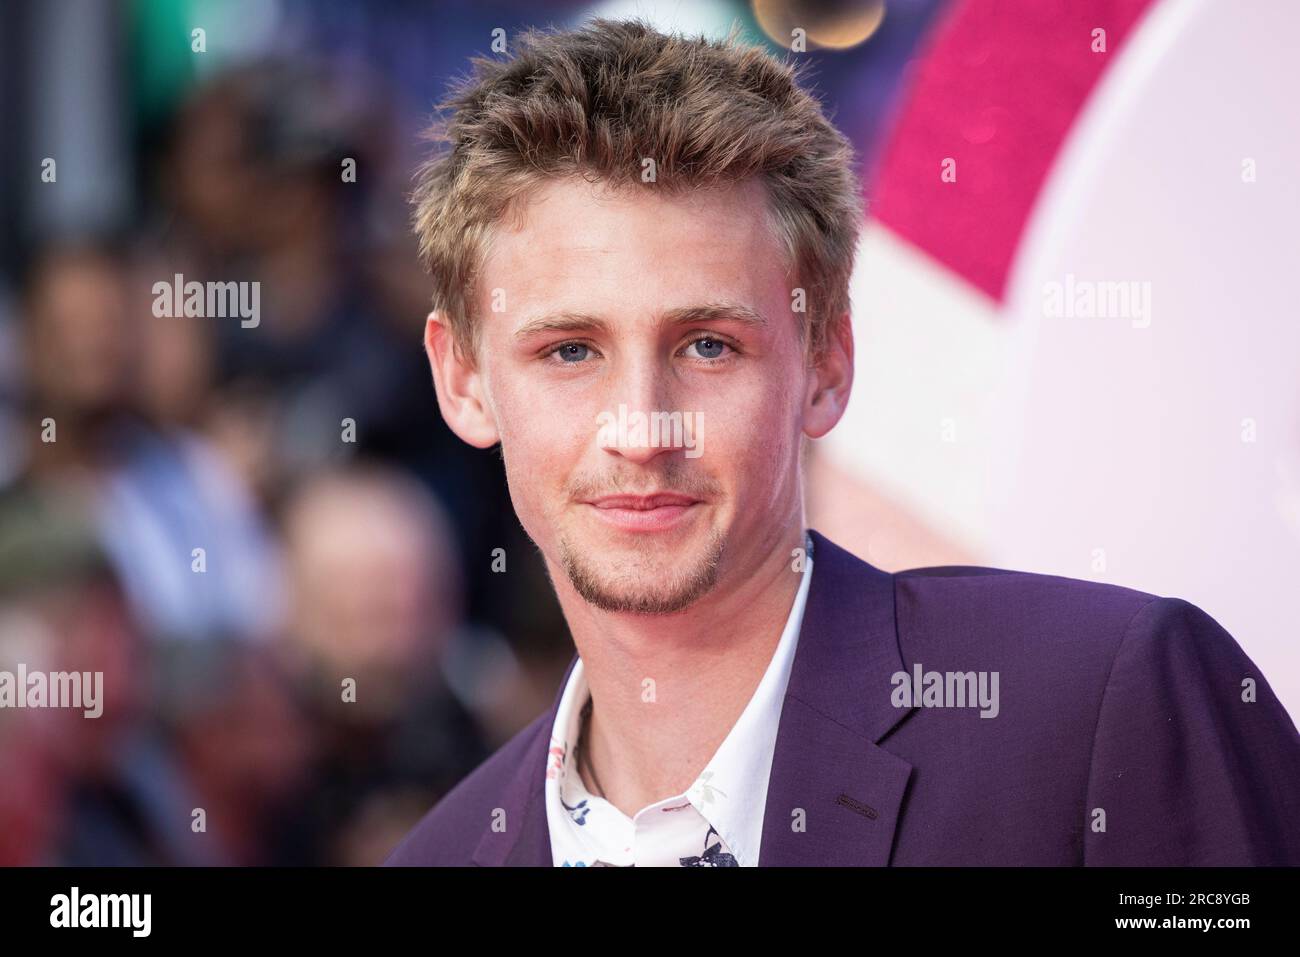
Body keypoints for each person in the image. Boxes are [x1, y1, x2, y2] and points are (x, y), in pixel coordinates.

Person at [384, 18, 1300, 866]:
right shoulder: (442, 854)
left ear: (825, 363)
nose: (641, 428)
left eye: (709, 345)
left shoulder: (1101, 711)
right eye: (569, 350)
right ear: (463, 379)